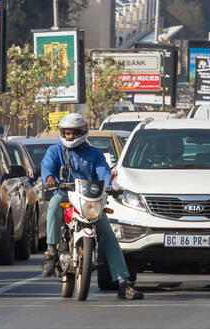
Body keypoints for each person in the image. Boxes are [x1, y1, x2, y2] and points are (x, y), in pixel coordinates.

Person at [40, 112, 142, 300]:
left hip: (89, 201)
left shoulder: (95, 154)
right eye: (67, 133)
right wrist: (49, 178)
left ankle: (123, 283)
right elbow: (47, 167)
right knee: (53, 204)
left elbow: (104, 173)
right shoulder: (55, 151)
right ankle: (51, 252)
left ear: (83, 132)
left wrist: (111, 186)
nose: (70, 137)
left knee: (108, 234)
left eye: (74, 133)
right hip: (64, 197)